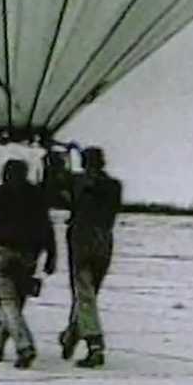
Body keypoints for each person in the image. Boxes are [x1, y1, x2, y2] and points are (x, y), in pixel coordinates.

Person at [0, 159, 56, 369]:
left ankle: (24, 347)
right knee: (17, 301)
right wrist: (51, 255)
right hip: (29, 254)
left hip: (3, 251)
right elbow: (46, 226)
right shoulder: (36, 196)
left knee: (8, 303)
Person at [58, 146, 121, 368]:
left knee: (84, 293)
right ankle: (72, 334)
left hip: (82, 239)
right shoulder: (114, 186)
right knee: (89, 294)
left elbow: (59, 188)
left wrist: (60, 161)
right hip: (104, 240)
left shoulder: (79, 183)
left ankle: (94, 344)